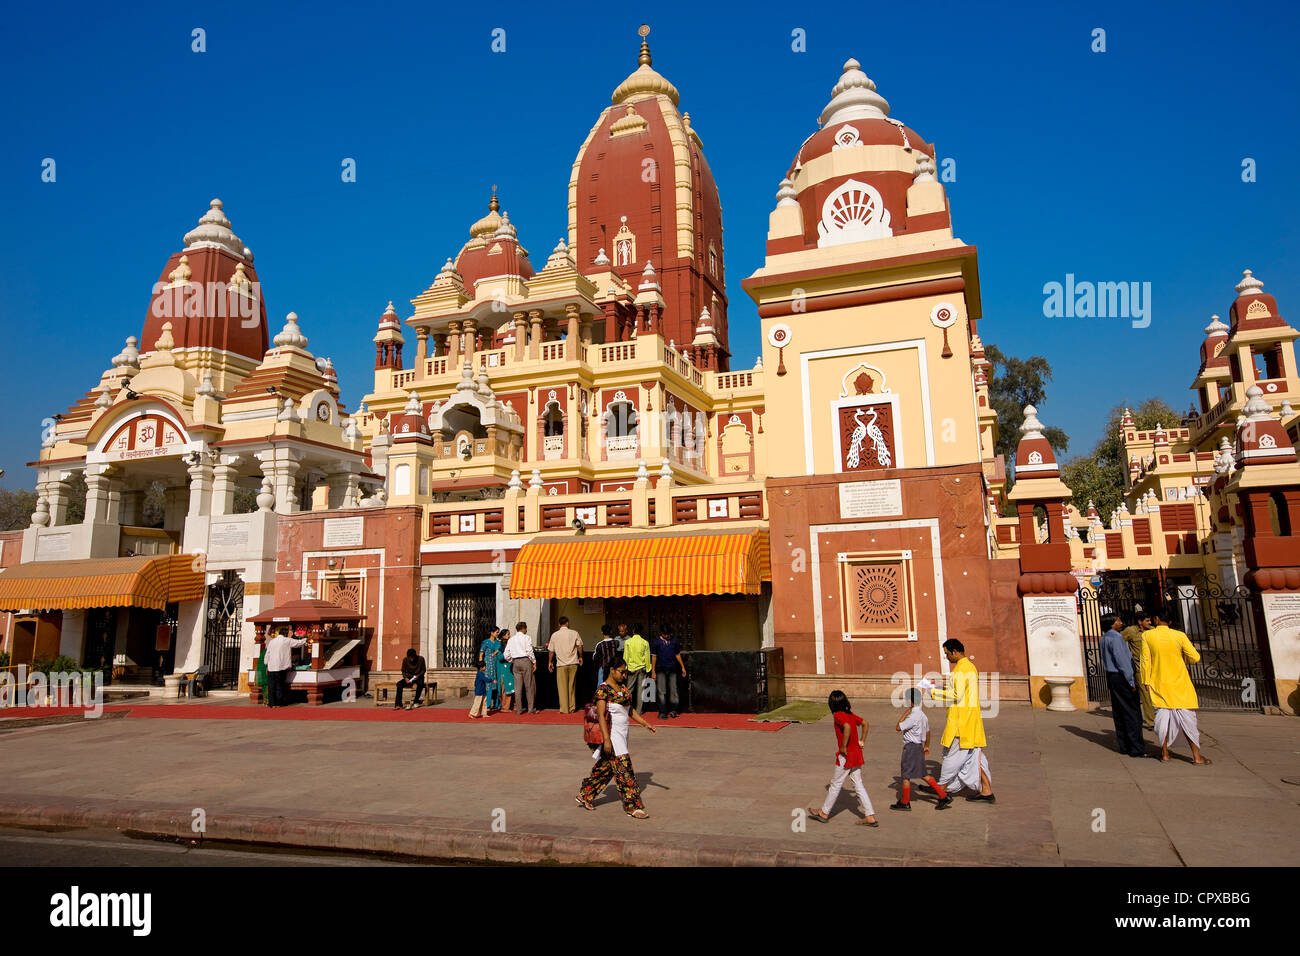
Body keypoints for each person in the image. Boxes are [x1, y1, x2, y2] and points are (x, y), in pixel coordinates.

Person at [576, 656, 657, 818]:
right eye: (621, 671)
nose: (624, 675)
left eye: (625, 672)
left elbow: (630, 710)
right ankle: (633, 806)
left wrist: (645, 723)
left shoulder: (623, 688)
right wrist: (606, 739)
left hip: (623, 734)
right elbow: (600, 715)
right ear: (612, 670)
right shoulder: (603, 690)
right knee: (625, 770)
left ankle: (585, 795)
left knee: (606, 768)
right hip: (612, 736)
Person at [924, 638, 993, 805]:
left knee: (951, 757)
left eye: (947, 654)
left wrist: (933, 692)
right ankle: (986, 791)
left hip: (961, 722)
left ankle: (942, 788)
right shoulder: (969, 666)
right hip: (971, 719)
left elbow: (957, 695)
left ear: (955, 652)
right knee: (974, 757)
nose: (946, 657)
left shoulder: (961, 670)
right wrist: (940, 686)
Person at [1141, 608, 1210, 765]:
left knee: (1162, 722)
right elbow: (1195, 657)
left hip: (1158, 683)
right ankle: (1196, 756)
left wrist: (1146, 681)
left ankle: (1165, 753)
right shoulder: (1179, 636)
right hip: (1180, 683)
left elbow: (1146, 661)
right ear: (1170, 622)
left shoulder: (1147, 635)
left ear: (1157, 619)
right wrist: (1181, 657)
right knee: (1188, 721)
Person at [807, 690, 878, 826]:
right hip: (856, 754)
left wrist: (844, 746)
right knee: (858, 784)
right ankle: (870, 815)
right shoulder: (850, 714)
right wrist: (862, 740)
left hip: (846, 756)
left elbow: (846, 727)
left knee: (835, 784)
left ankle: (824, 812)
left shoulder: (838, 715)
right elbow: (865, 723)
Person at [890, 688, 949, 810]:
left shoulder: (912, 716)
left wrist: (906, 713)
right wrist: (926, 746)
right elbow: (927, 733)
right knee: (923, 774)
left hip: (910, 748)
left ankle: (905, 802)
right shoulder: (923, 716)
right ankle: (943, 796)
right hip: (918, 747)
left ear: (910, 701)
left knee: (906, 775)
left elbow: (897, 727)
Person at [1100, 614, 1147, 757]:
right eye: (1118, 621)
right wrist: (1131, 681)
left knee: (1119, 712)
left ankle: (1124, 745)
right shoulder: (1116, 638)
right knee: (1132, 713)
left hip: (1112, 677)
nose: (1121, 623)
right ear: (1111, 624)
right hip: (1122, 678)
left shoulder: (1104, 638)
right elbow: (1123, 662)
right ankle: (1136, 748)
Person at [1122, 607, 1156, 727]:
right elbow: (1119, 642)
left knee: (1155, 693)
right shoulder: (1130, 631)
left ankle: (1159, 717)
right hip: (1139, 669)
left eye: (1150, 620)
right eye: (1147, 621)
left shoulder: (1153, 631)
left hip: (1154, 667)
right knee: (1146, 696)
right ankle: (1151, 721)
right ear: (1140, 622)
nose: (1150, 623)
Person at [548, 616, 584, 714]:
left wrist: (550, 662)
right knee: (572, 686)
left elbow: (551, 650)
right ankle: (572, 707)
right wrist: (580, 657)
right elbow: (580, 646)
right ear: (567, 623)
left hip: (561, 664)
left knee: (562, 687)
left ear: (559, 624)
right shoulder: (574, 633)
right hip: (573, 662)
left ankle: (564, 709)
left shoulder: (555, 635)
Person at [264, 627, 308, 708]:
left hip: (271, 667)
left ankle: (272, 703)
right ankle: (278, 703)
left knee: (271, 686)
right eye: (290, 633)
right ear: (286, 633)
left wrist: (266, 664)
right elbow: (298, 643)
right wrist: (306, 639)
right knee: (280, 685)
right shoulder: (287, 640)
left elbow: (267, 654)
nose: (291, 634)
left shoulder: (272, 641)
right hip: (281, 667)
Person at [650, 627, 687, 719]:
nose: (667, 636)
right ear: (661, 634)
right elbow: (654, 657)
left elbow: (677, 654)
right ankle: (662, 711)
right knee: (662, 691)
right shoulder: (656, 642)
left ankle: (674, 710)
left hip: (672, 668)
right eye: (665, 634)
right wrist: (653, 671)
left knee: (673, 689)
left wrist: (682, 667)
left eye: (668, 634)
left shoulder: (674, 641)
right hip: (660, 668)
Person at [504, 622, 538, 715]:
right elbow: (529, 651)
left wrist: (512, 660)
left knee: (517, 687)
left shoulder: (511, 639)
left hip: (516, 662)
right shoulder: (526, 637)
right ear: (523, 628)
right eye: (526, 628)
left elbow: (506, 654)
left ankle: (519, 709)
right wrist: (534, 662)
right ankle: (531, 709)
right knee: (529, 686)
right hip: (525, 661)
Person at [622, 623, 651, 716]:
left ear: (633, 631)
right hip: (642, 668)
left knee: (629, 689)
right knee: (641, 691)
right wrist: (648, 669)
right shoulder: (645, 642)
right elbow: (647, 658)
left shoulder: (628, 642)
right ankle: (639, 711)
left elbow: (625, 657)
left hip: (631, 668)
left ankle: (627, 709)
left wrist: (624, 669)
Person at [479, 626, 503, 712]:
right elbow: (481, 654)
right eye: (496, 632)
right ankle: (487, 704)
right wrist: (481, 666)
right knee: (488, 684)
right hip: (487, 665)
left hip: (496, 665)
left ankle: (496, 704)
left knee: (496, 685)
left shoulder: (498, 643)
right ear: (492, 633)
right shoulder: (485, 643)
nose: (497, 634)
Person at [495, 627, 516, 713]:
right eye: (508, 634)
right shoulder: (499, 645)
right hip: (503, 669)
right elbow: (500, 657)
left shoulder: (510, 643)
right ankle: (505, 707)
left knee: (513, 687)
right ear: (503, 636)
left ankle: (513, 705)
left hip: (510, 668)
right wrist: (507, 654)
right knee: (505, 688)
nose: (509, 636)